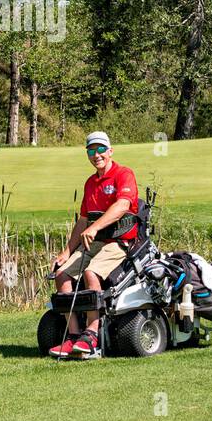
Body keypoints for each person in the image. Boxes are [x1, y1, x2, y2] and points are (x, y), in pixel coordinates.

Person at [48, 130, 140, 358]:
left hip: (120, 241)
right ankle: (72, 337)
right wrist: (67, 252)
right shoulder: (90, 183)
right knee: (61, 274)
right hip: (95, 242)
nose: (96, 154)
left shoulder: (124, 174)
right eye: (91, 150)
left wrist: (95, 226)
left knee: (91, 273)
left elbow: (122, 206)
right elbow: (82, 221)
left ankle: (92, 334)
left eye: (100, 149)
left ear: (110, 151)